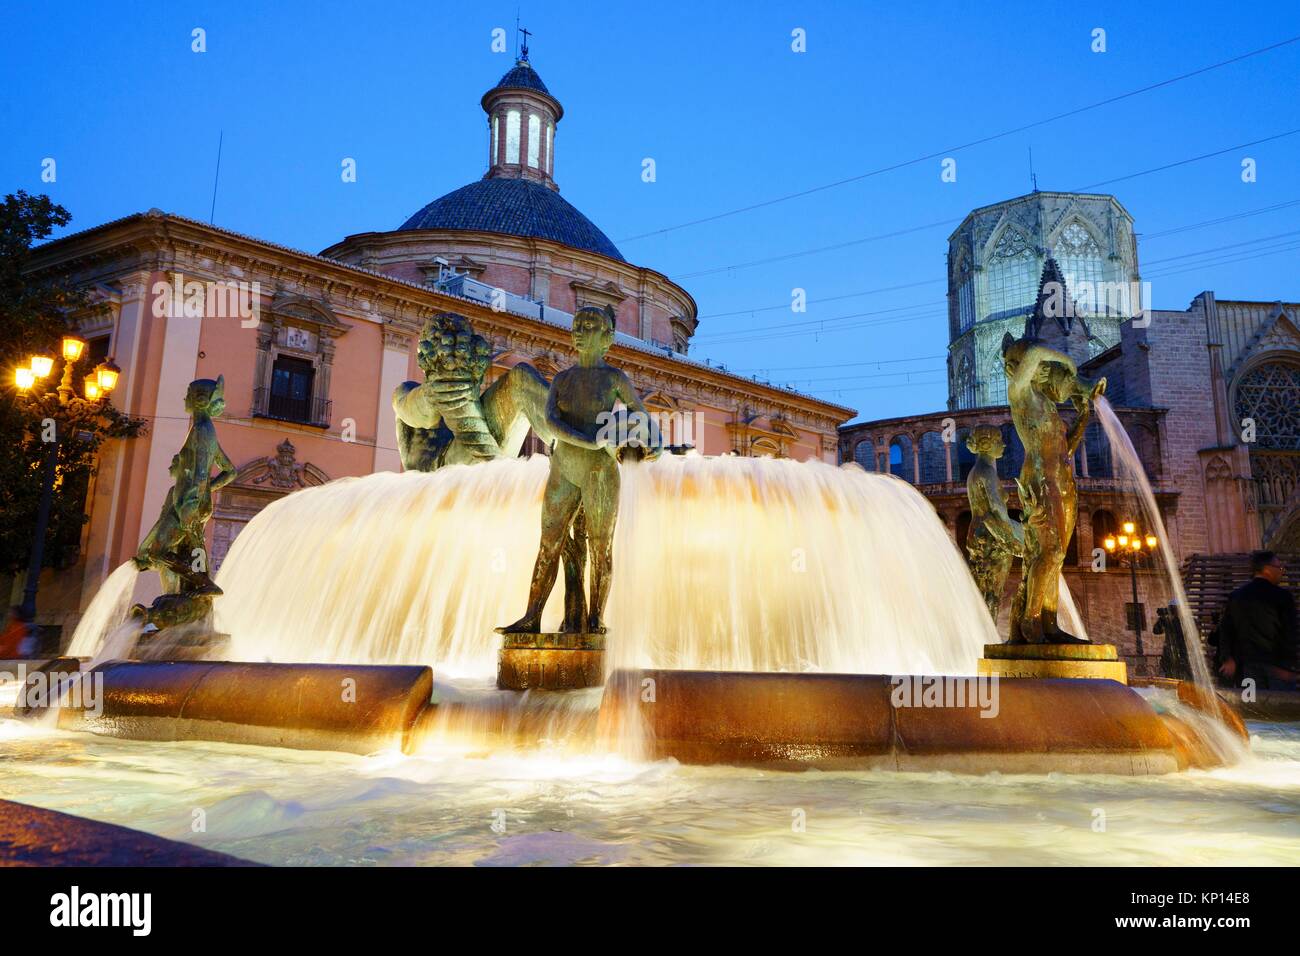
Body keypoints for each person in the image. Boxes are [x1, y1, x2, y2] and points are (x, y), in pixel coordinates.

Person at [1216, 551, 1297, 692]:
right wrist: (1289, 666)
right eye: (1279, 568)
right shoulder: (1283, 597)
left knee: (1251, 708)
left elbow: (1226, 630)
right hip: (1278, 667)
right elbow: (1290, 633)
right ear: (1267, 569)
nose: (1281, 572)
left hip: (1247, 668)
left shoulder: (1236, 596)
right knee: (1281, 710)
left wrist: (1228, 658)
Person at [1155, 602, 1192, 680]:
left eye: (1174, 608)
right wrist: (1161, 619)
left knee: (1184, 676)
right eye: (1171, 608)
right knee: (1170, 675)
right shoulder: (1167, 620)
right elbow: (1156, 631)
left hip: (1182, 652)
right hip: (1170, 653)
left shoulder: (1184, 621)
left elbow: (1181, 632)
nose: (1172, 611)